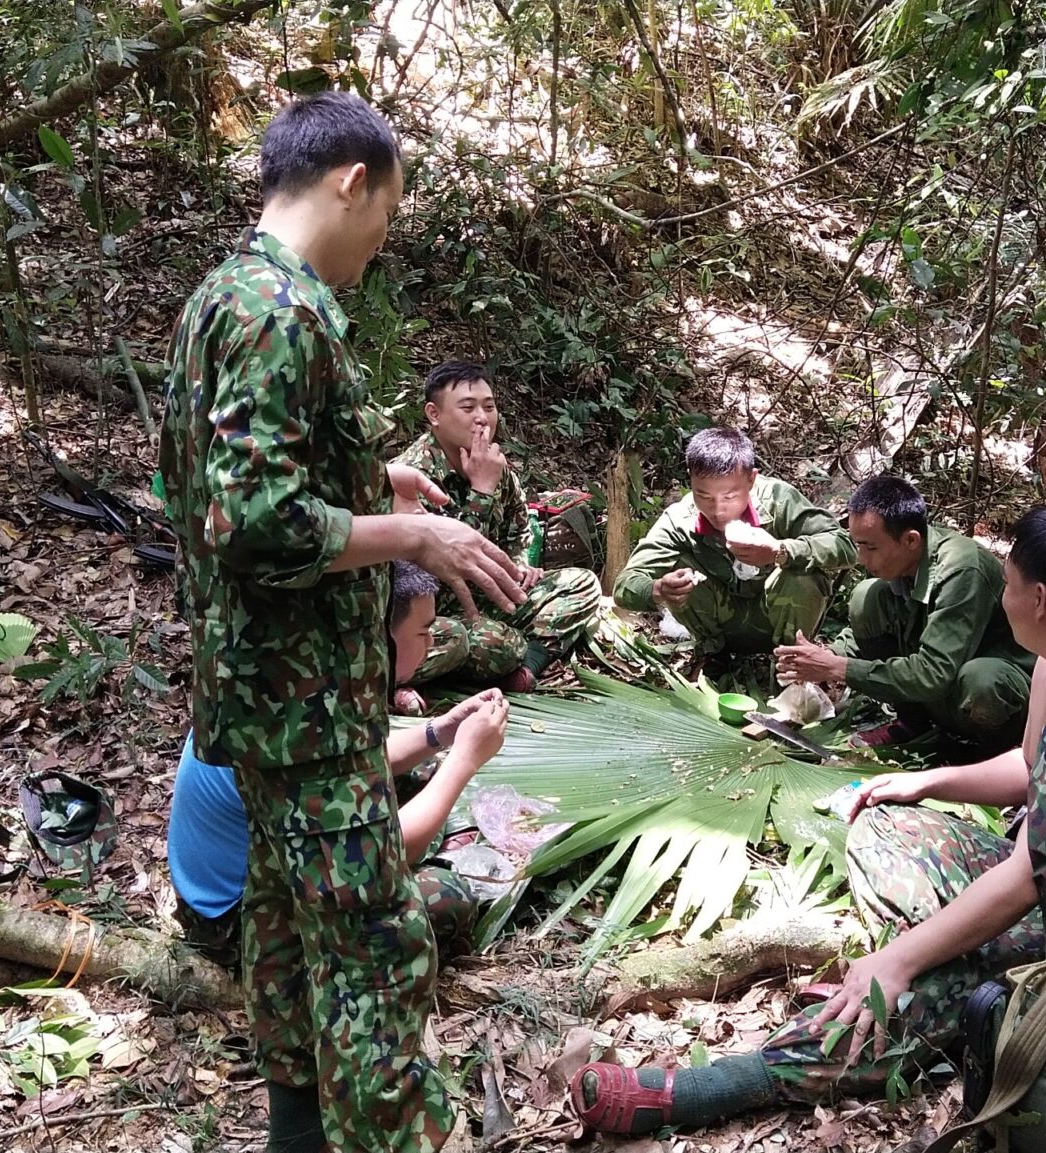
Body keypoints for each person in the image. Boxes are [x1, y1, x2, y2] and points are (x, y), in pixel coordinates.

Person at [570, 504, 1046, 1133]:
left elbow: (1030, 874)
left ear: (1041, 599)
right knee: (881, 820)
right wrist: (921, 782)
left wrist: (901, 961)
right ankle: (944, 949)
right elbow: (1031, 770)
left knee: (892, 998)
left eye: (1011, 582)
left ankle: (719, 1083)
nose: (1003, 593)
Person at [158, 92, 524, 1153]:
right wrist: (408, 536)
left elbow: (216, 477)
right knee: (372, 947)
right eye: (387, 213)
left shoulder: (222, 296)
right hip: (306, 707)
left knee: (281, 938)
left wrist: (371, 470)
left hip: (257, 700)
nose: (382, 240)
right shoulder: (283, 312)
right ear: (350, 180)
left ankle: (297, 1138)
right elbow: (250, 518)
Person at [169, 561, 510, 968]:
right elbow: (374, 860)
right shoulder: (294, 729)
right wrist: (465, 760)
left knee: (419, 774)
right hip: (240, 925)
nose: (432, 641)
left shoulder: (299, 677)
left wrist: (441, 731)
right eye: (423, 632)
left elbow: (361, 760)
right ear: (377, 636)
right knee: (446, 897)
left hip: (267, 871)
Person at [773, 475, 1032, 752]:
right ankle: (912, 723)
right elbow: (875, 630)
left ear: (910, 540)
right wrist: (826, 658)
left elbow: (934, 673)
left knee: (982, 680)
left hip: (991, 691)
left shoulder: (962, 568)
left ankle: (993, 756)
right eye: (858, 545)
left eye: (870, 547)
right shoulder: (903, 563)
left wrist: (838, 668)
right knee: (865, 597)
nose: (862, 558)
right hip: (944, 691)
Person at [393, 361, 603, 693]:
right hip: (426, 615)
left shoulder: (493, 464)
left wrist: (519, 564)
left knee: (581, 584)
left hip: (486, 597)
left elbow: (519, 527)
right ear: (434, 414)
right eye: (468, 407)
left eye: (489, 407)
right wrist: (481, 491)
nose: (482, 418)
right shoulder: (410, 477)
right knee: (484, 644)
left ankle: (527, 667)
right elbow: (448, 570)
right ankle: (399, 681)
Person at [612, 427, 849, 670]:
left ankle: (790, 665)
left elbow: (845, 545)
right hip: (719, 630)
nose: (717, 510)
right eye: (703, 495)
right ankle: (713, 658)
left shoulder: (780, 500)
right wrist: (659, 589)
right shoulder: (680, 519)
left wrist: (780, 551)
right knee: (681, 566)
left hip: (778, 621)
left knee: (804, 575)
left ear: (751, 479)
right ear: (690, 480)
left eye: (729, 496)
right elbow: (624, 585)